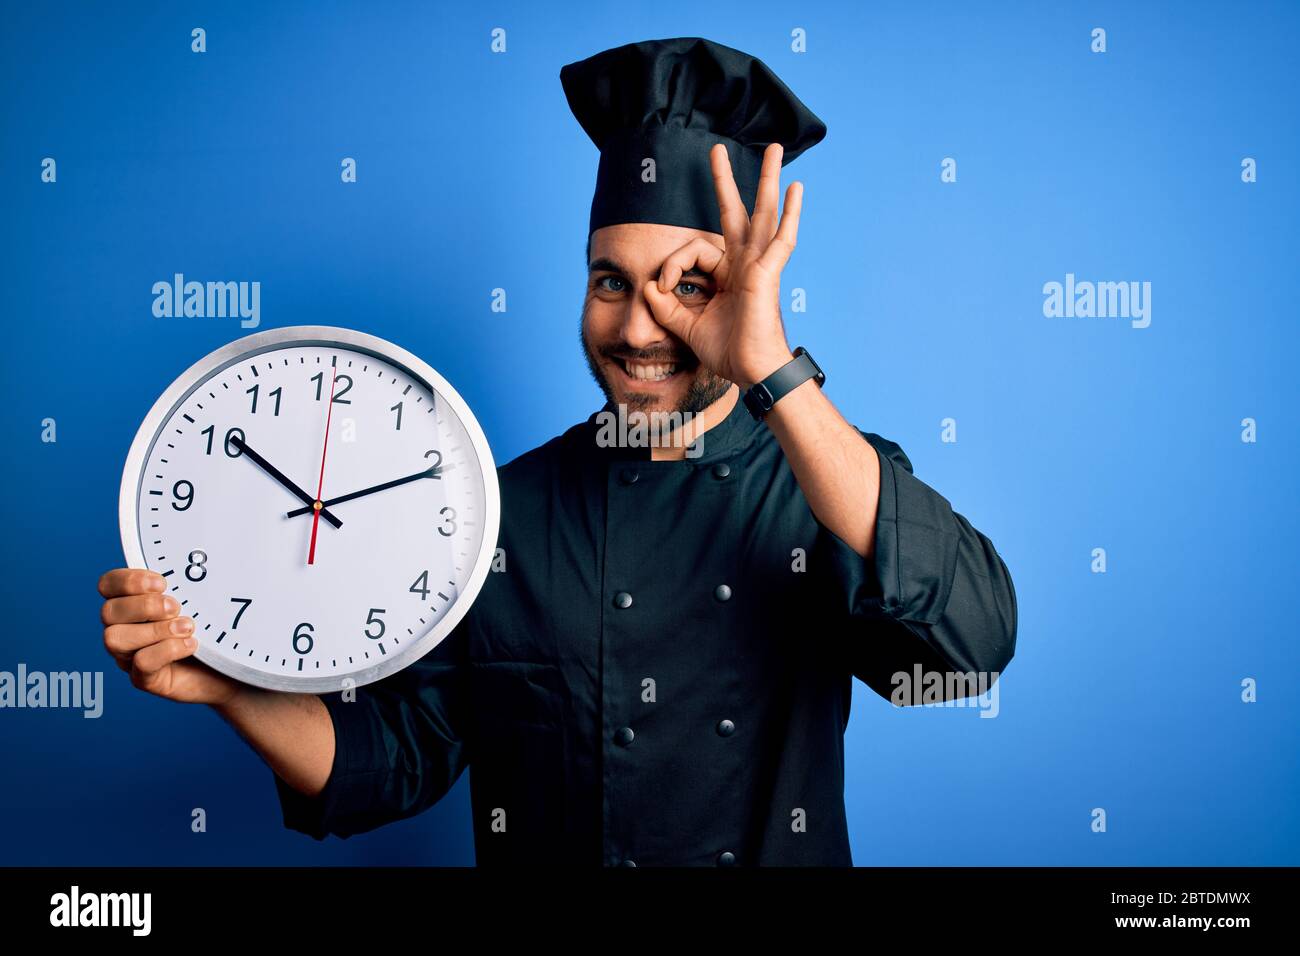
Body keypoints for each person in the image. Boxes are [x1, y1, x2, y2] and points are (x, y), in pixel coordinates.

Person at [97, 37, 1017, 866]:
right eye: (610, 280)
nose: (640, 323)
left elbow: (967, 652)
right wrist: (225, 682)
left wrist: (772, 368)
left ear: (750, 299)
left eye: (692, 285)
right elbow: (393, 763)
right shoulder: (495, 512)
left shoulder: (824, 485)